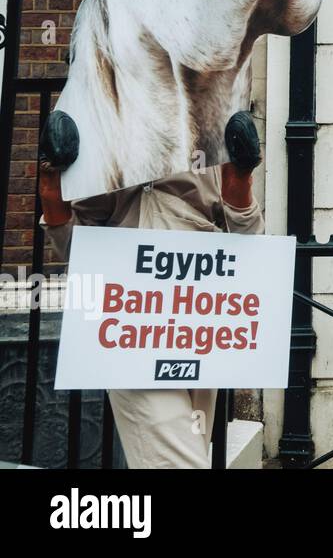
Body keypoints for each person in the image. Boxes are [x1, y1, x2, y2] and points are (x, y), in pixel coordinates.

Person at [38, 109, 266, 470]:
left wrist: (241, 178)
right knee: (176, 460)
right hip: (127, 315)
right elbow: (76, 250)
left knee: (182, 450)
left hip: (202, 310)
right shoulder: (98, 120)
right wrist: (53, 194)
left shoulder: (211, 114)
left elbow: (247, 237)